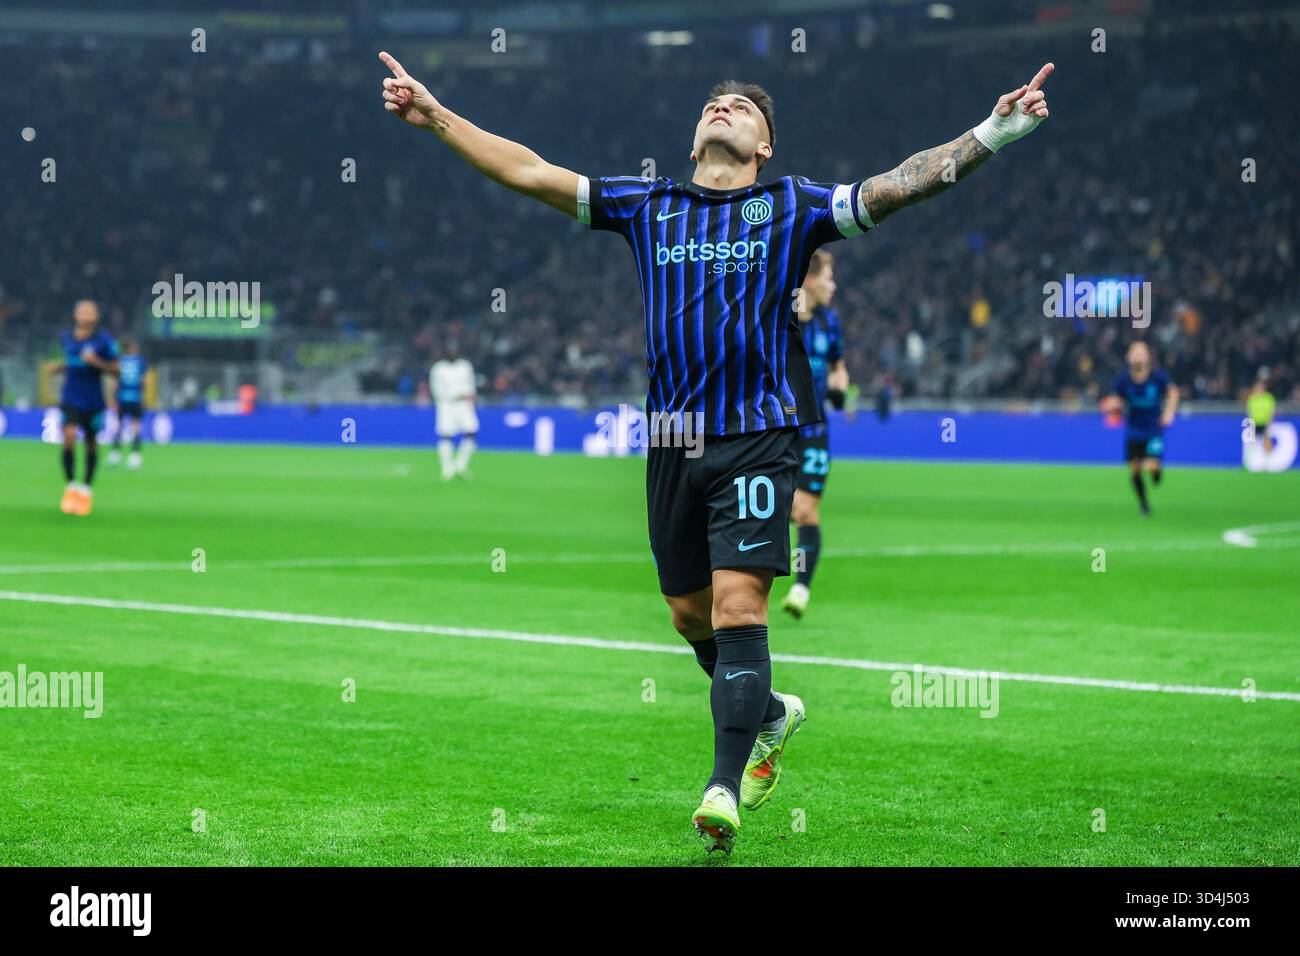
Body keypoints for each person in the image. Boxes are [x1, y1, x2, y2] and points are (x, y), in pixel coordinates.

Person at [380, 50, 1053, 852]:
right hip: (672, 438)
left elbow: (899, 184)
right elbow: (529, 171)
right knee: (686, 613)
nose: (723, 107)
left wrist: (991, 133)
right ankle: (769, 712)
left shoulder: (792, 206)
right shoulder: (648, 204)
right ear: (694, 137)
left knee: (740, 609)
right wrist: (436, 117)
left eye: (743, 106)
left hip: (757, 435)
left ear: (765, 145)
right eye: (714, 104)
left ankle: (722, 788)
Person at [782, 249, 849, 620]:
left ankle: (800, 587)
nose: (833, 286)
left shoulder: (829, 322)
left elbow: (839, 366)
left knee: (805, 510)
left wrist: (839, 388)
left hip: (815, 431)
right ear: (809, 279)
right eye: (828, 278)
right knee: (782, 509)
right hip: (777, 430)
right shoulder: (780, 319)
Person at [45, 300, 118, 516]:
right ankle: (70, 487)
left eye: (89, 311)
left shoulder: (104, 340)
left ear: (96, 316)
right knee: (68, 436)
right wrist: (58, 367)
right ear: (75, 314)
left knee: (91, 443)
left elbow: (117, 368)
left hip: (93, 399)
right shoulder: (66, 337)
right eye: (81, 310)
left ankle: (85, 490)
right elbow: (68, 361)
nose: (85, 314)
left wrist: (97, 362)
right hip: (70, 396)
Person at [1102, 341, 1179, 516]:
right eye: (1135, 353)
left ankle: (1157, 472)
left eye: (1141, 353)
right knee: (1135, 469)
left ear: (1147, 357)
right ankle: (1144, 505)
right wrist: (1112, 406)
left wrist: (1169, 413)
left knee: (1151, 466)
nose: (1138, 357)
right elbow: (1116, 401)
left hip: (1154, 431)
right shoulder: (1123, 381)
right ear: (1128, 357)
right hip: (1134, 430)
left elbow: (1173, 392)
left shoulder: (1158, 378)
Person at [430, 342, 478, 480]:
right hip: (446, 405)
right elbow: (436, 390)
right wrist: (453, 395)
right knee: (446, 435)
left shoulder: (465, 366)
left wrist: (471, 397)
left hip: (464, 405)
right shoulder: (438, 368)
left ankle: (461, 465)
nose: (452, 353)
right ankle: (447, 469)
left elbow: (471, 385)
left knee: (471, 431)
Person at [108, 338, 147, 470]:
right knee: (135, 426)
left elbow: (116, 381)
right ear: (132, 348)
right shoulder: (140, 361)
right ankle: (135, 456)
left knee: (119, 425)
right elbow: (143, 380)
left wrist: (113, 398)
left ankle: (116, 454)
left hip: (122, 397)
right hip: (135, 397)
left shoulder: (120, 361)